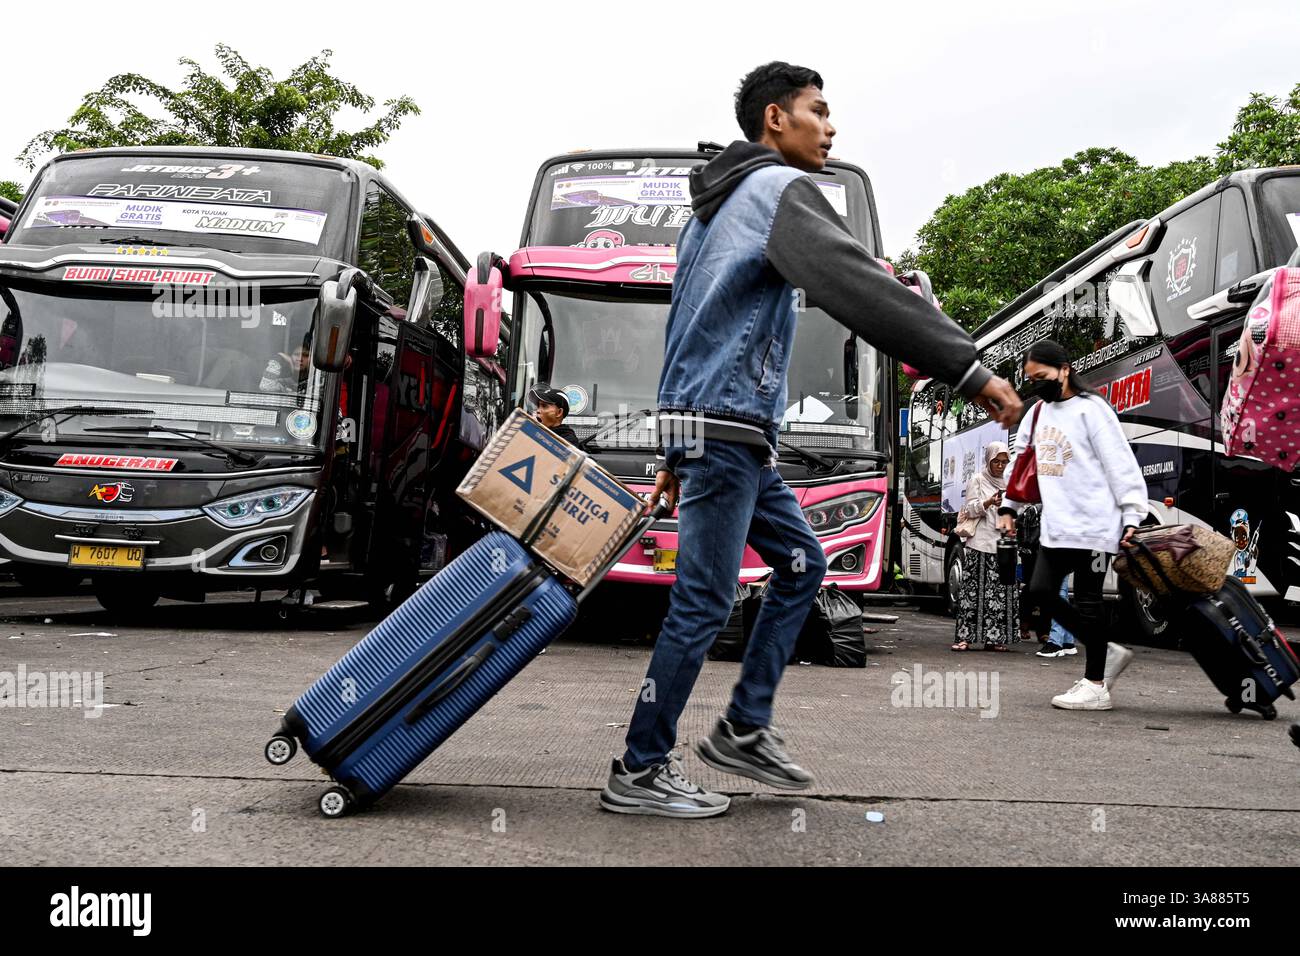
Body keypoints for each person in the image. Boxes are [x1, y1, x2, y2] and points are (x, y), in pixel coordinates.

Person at [598, 61, 1022, 819]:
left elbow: (684, 329)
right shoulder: (774, 192)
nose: (830, 128)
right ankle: (639, 765)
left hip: (725, 428)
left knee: (802, 564)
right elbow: (859, 282)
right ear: (774, 120)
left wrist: (671, 442)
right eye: (818, 112)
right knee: (704, 598)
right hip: (724, 426)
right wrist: (968, 368)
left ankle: (744, 727)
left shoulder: (714, 214)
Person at [997, 339, 1141, 710]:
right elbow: (1020, 462)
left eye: (1042, 376)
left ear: (1065, 369)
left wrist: (1132, 515)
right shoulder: (1037, 413)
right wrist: (1008, 507)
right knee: (1040, 592)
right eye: (1031, 379)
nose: (1038, 385)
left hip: (1096, 523)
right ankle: (1105, 651)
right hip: (1057, 524)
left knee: (1089, 601)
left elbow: (1119, 463)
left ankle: (1096, 685)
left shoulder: (1093, 411)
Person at [951, 443, 1019, 651]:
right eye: (995, 462)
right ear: (988, 460)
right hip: (979, 543)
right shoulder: (978, 479)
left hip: (1002, 545)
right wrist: (988, 502)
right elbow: (969, 509)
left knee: (999, 594)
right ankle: (965, 638)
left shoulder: (1010, 481)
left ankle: (996, 638)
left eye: (1004, 462)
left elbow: (1019, 508)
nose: (999, 466)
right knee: (972, 593)